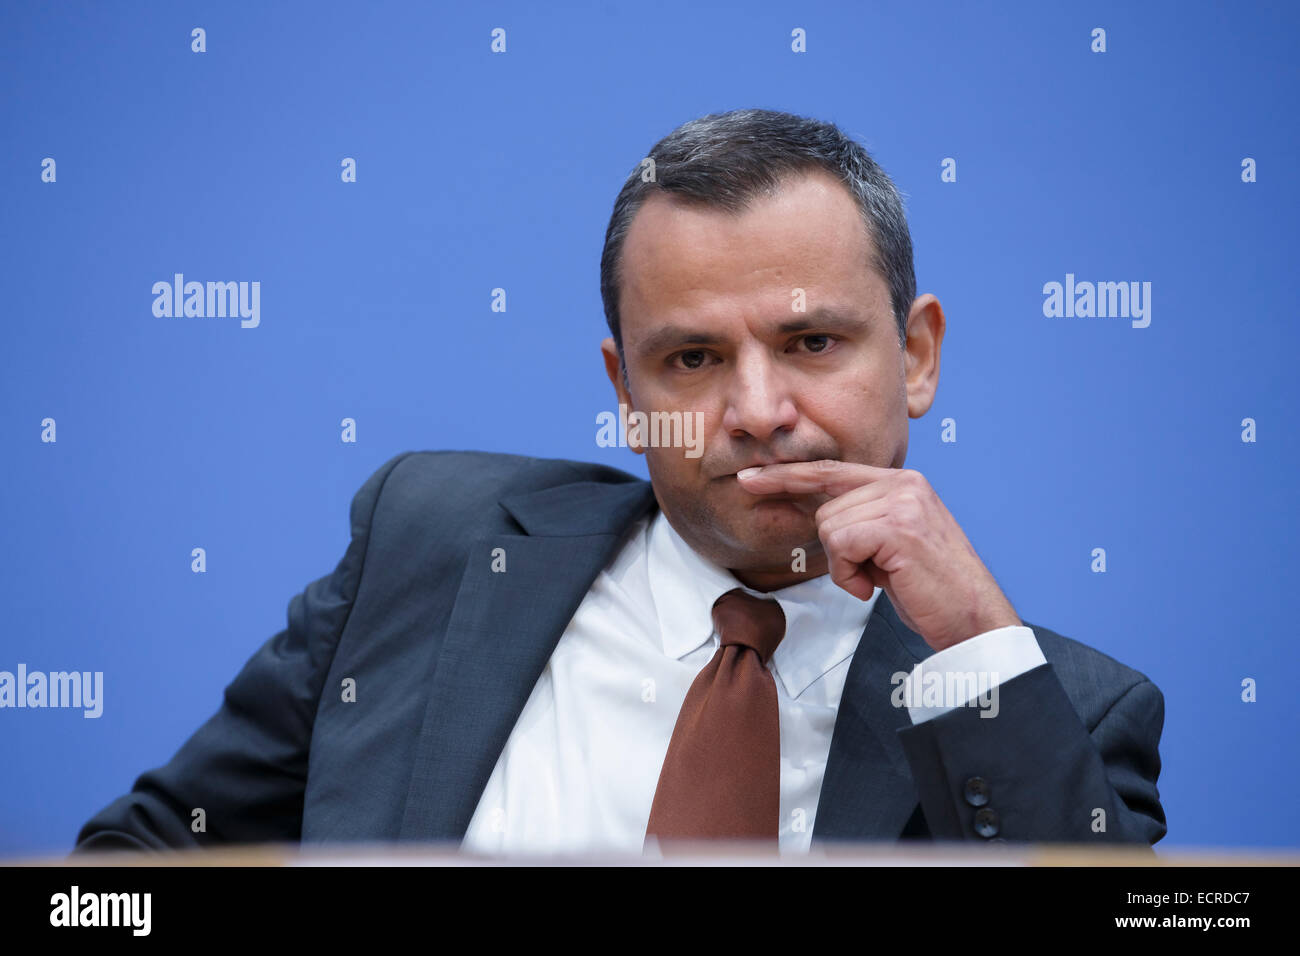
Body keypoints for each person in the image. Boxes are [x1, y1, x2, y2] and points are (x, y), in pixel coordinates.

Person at [75, 108, 1165, 855]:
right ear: (622, 384)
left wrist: (976, 650)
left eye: (812, 343)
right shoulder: (429, 544)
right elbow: (122, 873)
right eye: (691, 359)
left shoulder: (1057, 707)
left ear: (916, 355)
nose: (755, 409)